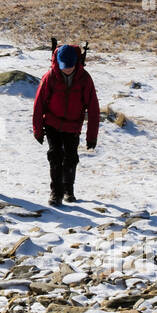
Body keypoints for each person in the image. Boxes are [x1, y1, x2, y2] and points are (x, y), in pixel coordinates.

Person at [32, 43, 100, 205]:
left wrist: (92, 137)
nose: (67, 69)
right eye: (64, 66)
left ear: (76, 62)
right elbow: (38, 104)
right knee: (55, 156)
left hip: (73, 125)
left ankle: (69, 190)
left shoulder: (84, 79)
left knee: (70, 158)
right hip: (52, 122)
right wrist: (38, 130)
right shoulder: (49, 77)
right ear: (57, 62)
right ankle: (56, 193)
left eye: (70, 66)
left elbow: (93, 108)